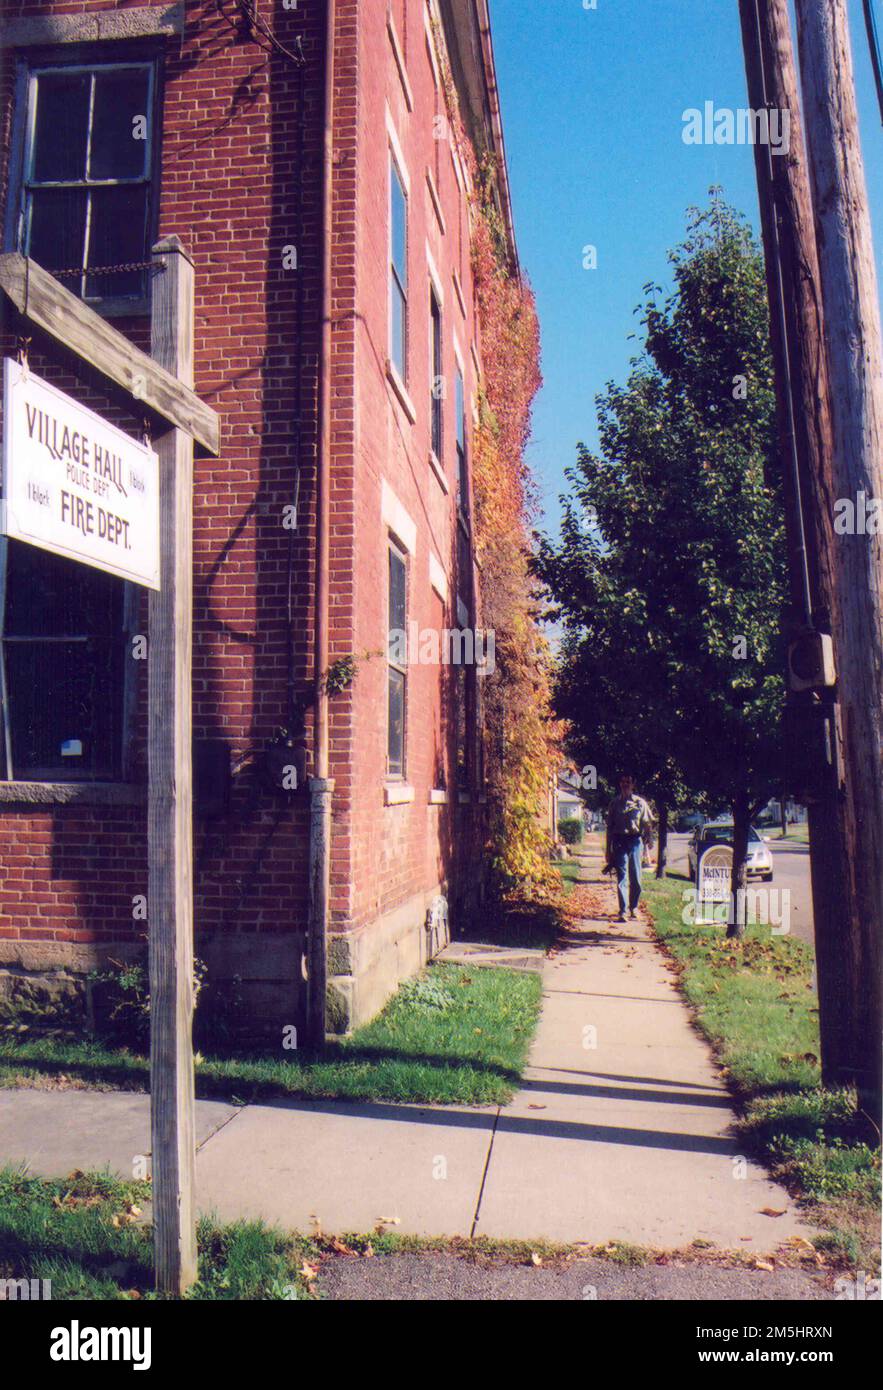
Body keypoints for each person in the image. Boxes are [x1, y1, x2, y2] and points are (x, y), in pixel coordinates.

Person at [605, 774, 655, 922]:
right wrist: (608, 850)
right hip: (619, 842)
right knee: (622, 876)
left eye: (628, 782)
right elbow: (609, 828)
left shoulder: (640, 803)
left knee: (636, 878)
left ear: (633, 785)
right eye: (623, 782)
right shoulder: (614, 804)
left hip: (635, 842)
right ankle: (623, 910)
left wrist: (650, 839)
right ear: (620, 784)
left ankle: (634, 907)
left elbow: (647, 823)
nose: (625, 784)